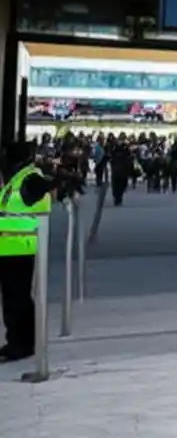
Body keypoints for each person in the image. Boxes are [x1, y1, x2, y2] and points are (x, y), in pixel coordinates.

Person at [0, 141, 56, 363]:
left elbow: (39, 188)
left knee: (18, 300)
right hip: (9, 248)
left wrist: (56, 181)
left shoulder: (29, 178)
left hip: (19, 248)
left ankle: (21, 344)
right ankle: (19, 341)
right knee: (15, 299)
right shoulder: (18, 178)